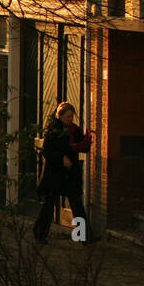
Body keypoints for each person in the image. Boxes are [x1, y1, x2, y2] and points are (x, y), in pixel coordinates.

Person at [34, 101, 94, 243]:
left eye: (72, 117)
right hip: (56, 173)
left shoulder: (75, 130)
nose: (70, 119)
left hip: (70, 174)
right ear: (60, 116)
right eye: (67, 116)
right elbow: (47, 152)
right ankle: (40, 233)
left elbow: (83, 148)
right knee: (49, 205)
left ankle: (84, 236)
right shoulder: (53, 131)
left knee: (77, 205)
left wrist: (86, 143)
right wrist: (61, 158)